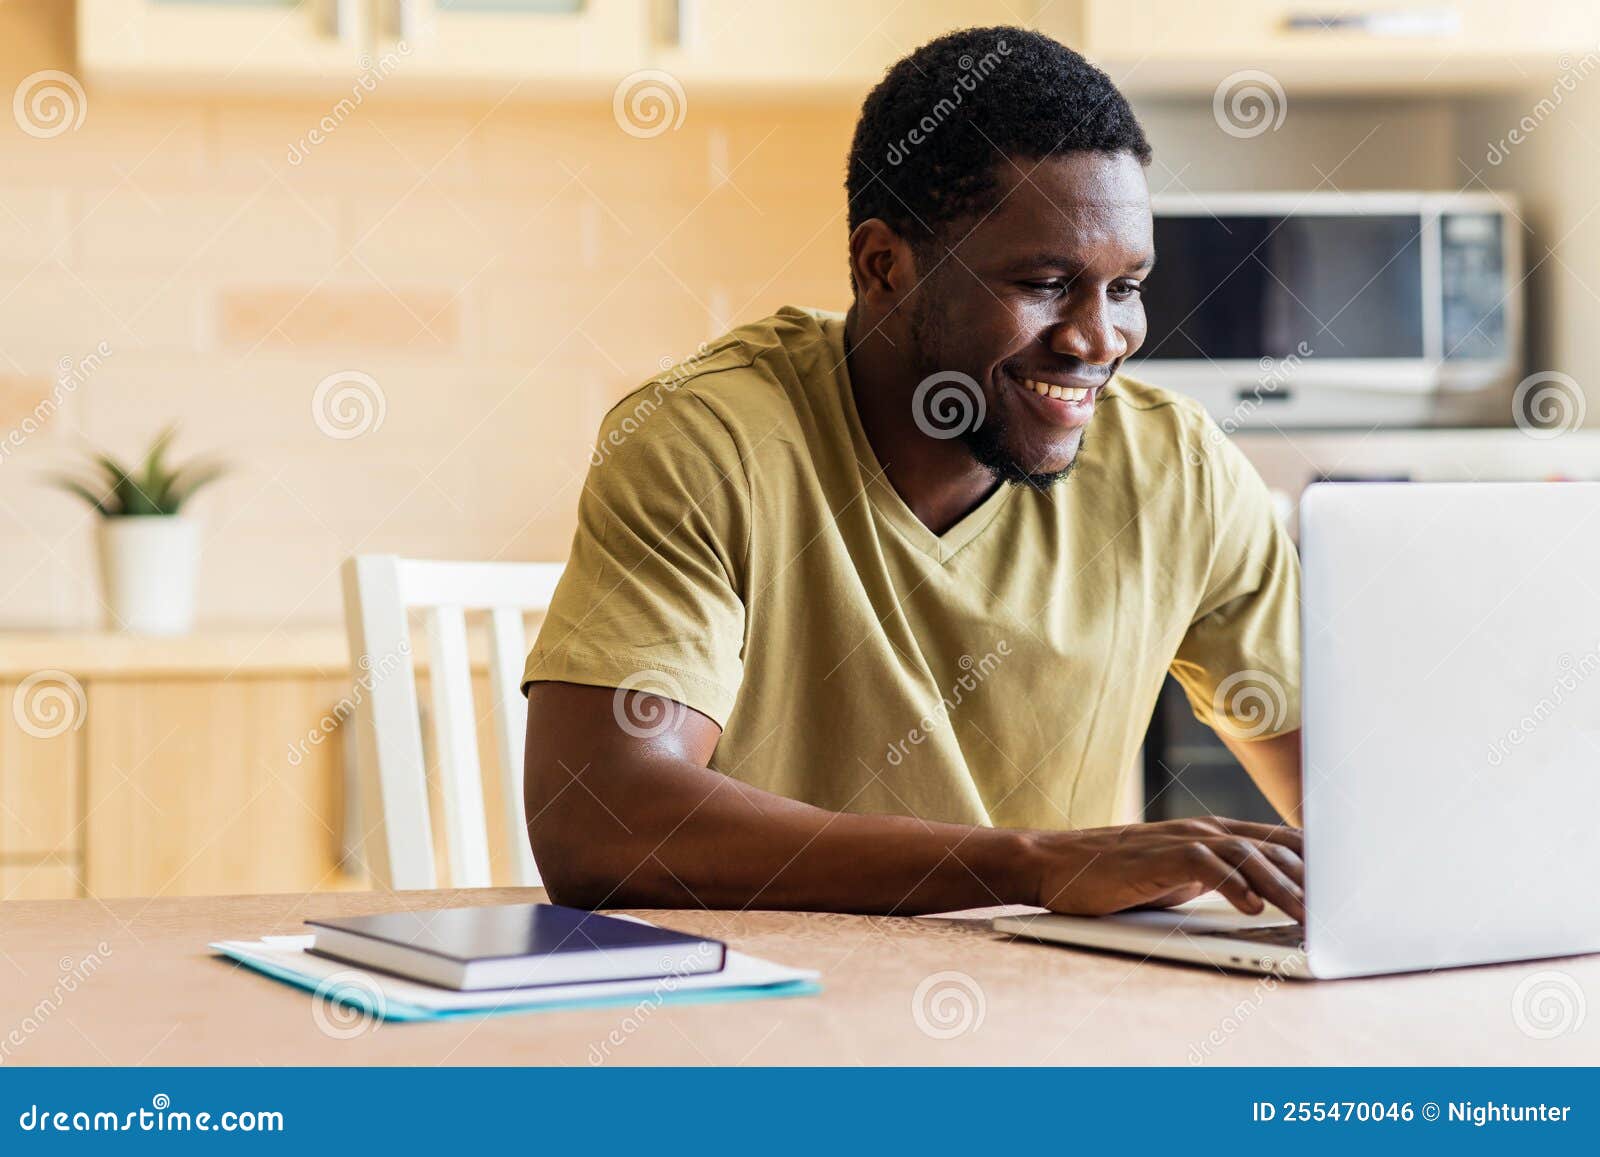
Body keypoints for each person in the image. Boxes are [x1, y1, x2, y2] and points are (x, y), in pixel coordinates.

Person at [521, 26, 1304, 921]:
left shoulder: (1180, 473)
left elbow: (1355, 800)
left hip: (1051, 1024)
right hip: (761, 1020)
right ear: (882, 265)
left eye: (1125, 286)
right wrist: (1033, 863)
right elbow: (602, 825)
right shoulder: (707, 444)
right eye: (1047, 282)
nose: (1098, 339)